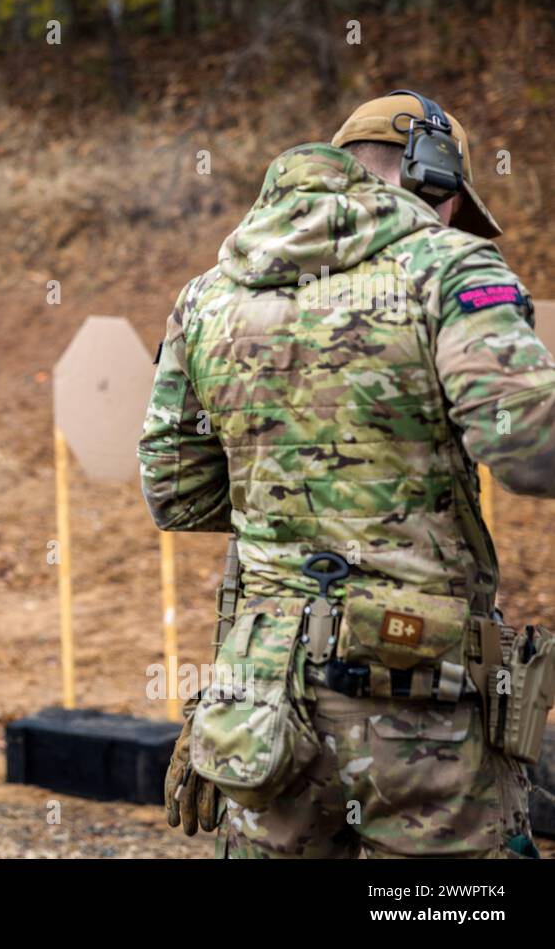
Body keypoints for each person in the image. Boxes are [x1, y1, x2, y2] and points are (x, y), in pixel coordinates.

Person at [141, 93, 555, 858]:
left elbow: (175, 491)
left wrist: (303, 491)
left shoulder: (208, 296)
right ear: (440, 180)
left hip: (262, 706)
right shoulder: (451, 266)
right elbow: (530, 445)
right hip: (421, 702)